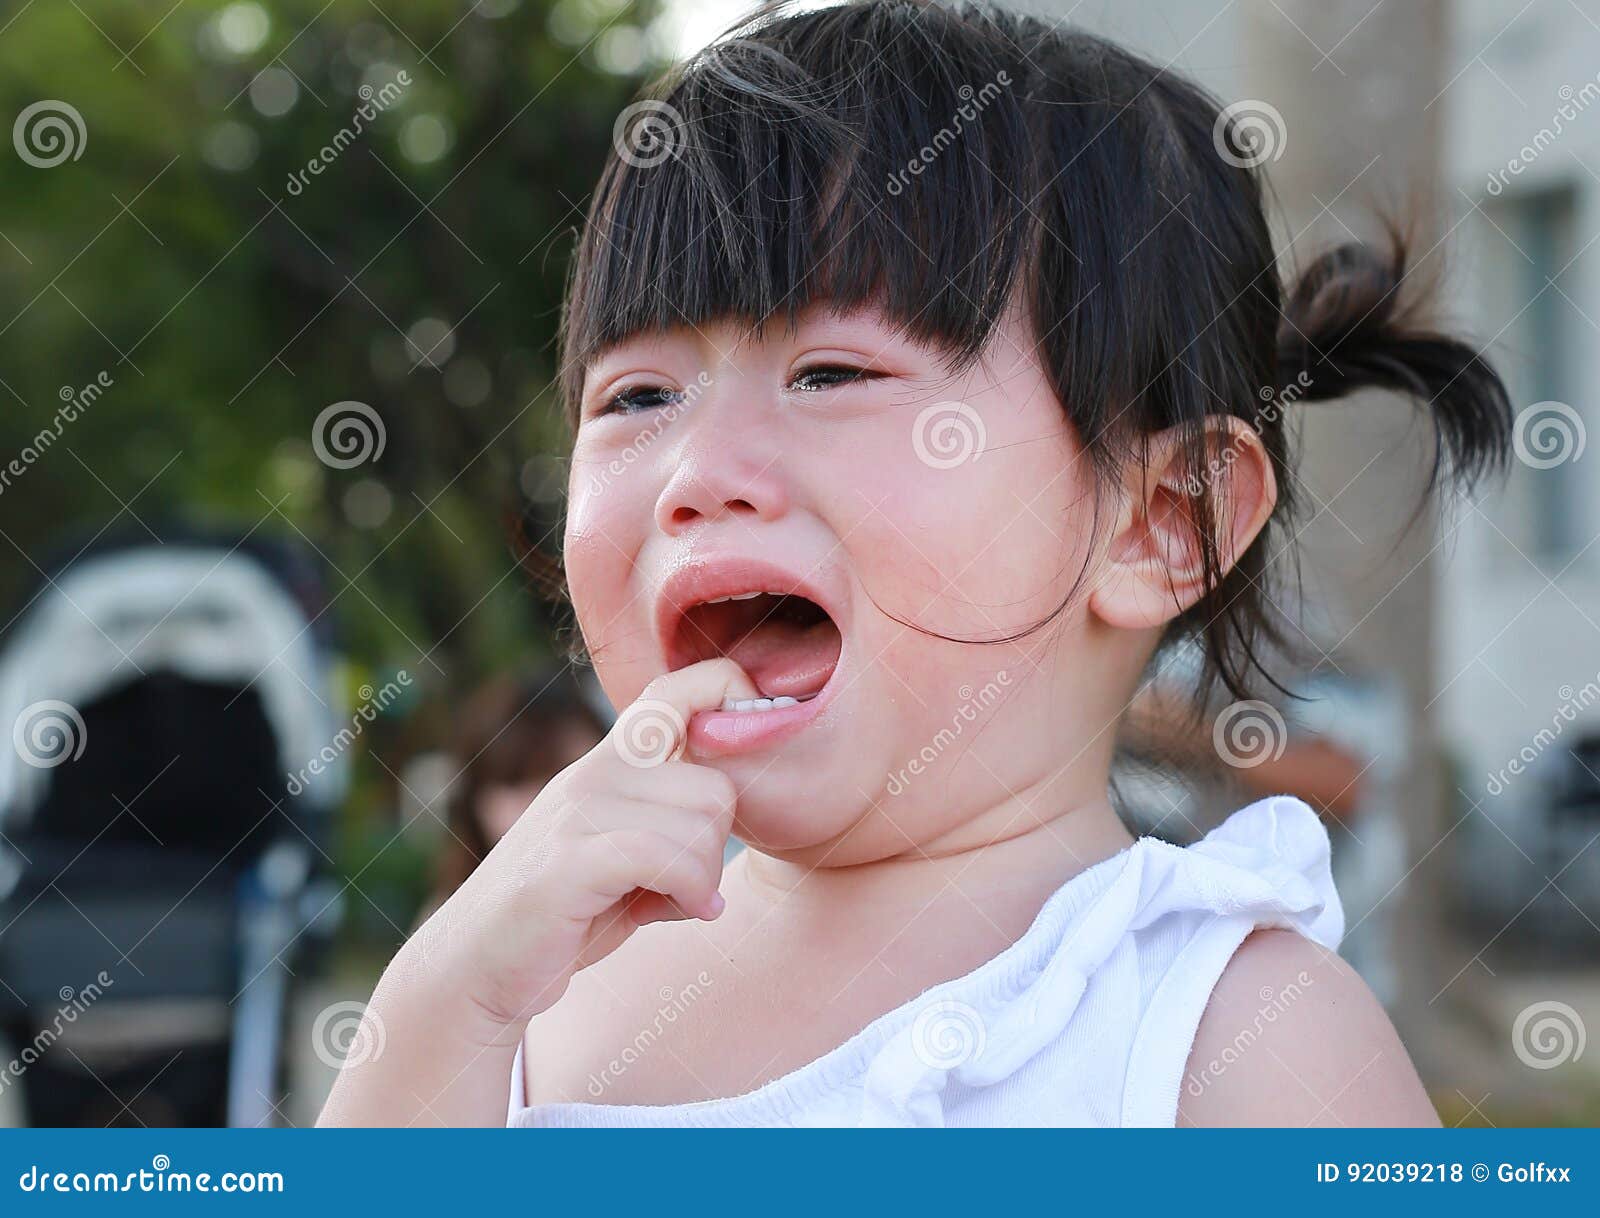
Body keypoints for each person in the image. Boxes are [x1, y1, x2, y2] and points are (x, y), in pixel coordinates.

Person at [320, 0, 1511, 1127]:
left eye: (830, 375)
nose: (696, 471)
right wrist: (442, 1000)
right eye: (637, 395)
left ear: (1160, 521)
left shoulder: (1233, 1035)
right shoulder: (535, 1007)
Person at [419, 668, 609, 923]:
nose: (552, 806)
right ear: (475, 801)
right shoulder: (444, 932)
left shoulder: (658, 910)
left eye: (570, 776)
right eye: (520, 782)